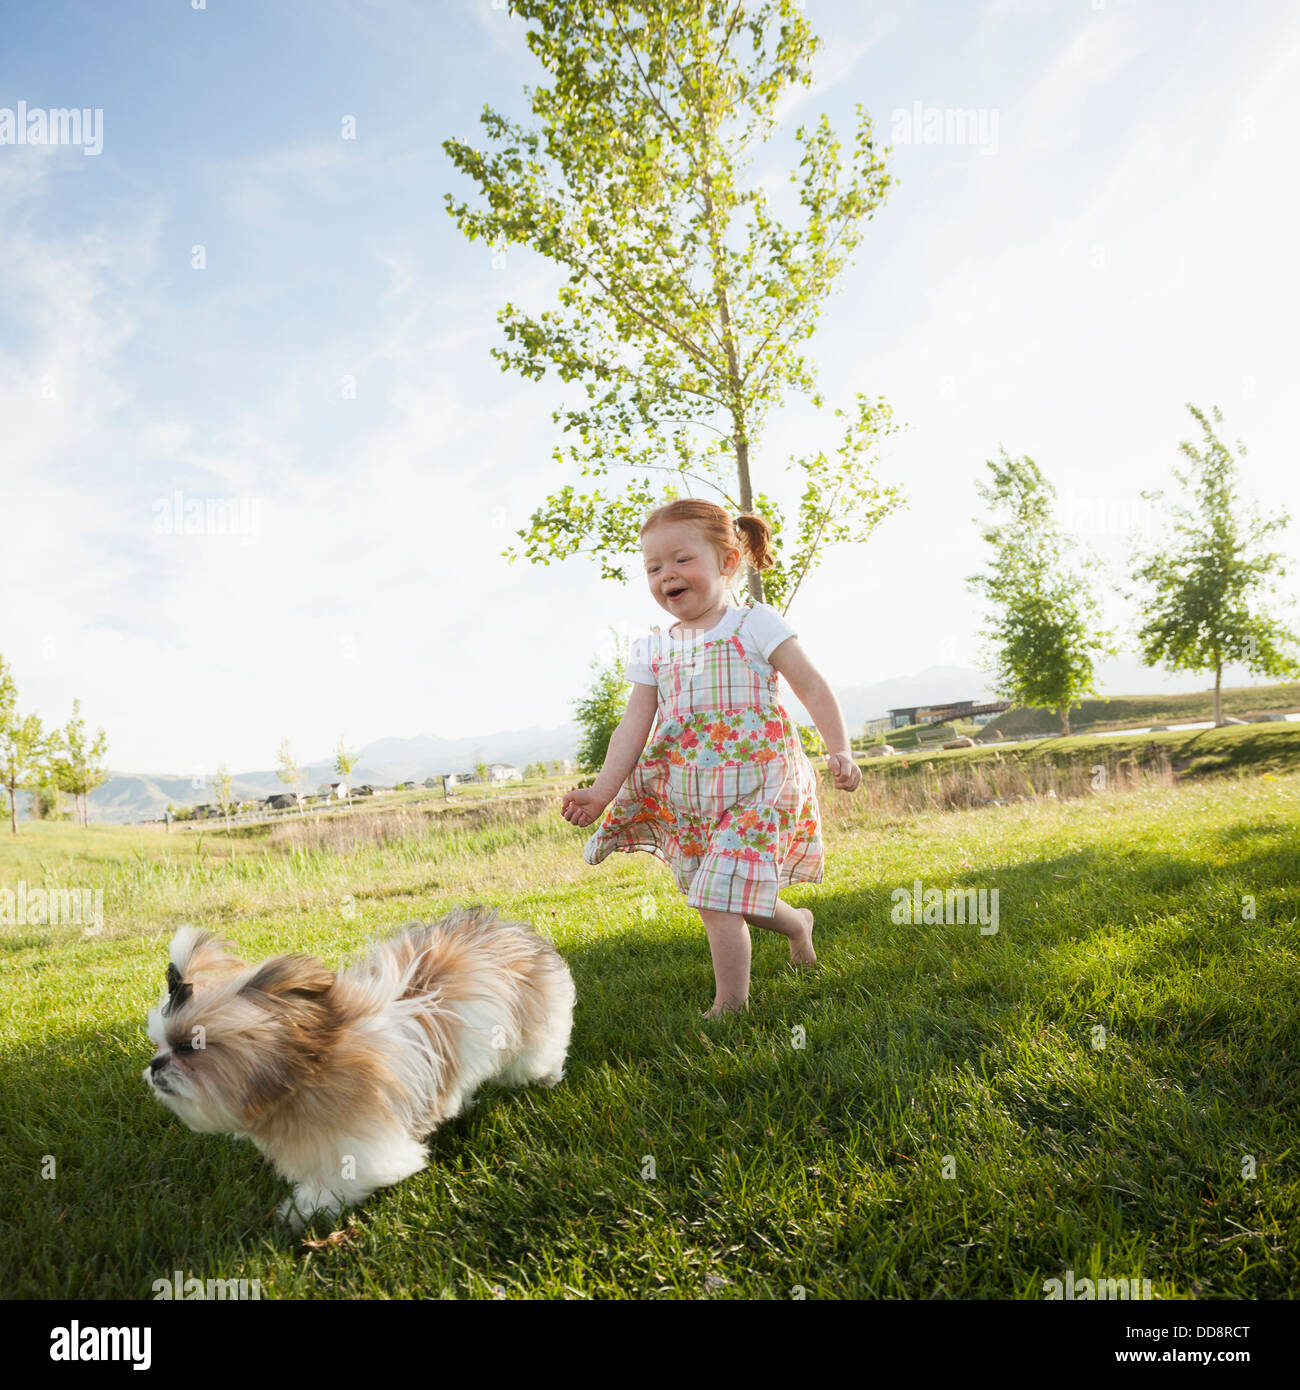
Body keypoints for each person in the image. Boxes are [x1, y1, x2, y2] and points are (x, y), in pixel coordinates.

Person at [561, 498, 862, 1018]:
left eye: (681, 559)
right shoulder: (652, 649)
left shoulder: (755, 623)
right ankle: (797, 923)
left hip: (762, 786)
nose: (666, 575)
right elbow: (632, 728)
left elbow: (811, 685)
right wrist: (600, 792)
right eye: (653, 567)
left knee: (718, 897)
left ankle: (731, 1006)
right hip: (695, 795)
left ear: (727, 561)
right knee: (721, 890)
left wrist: (841, 749)